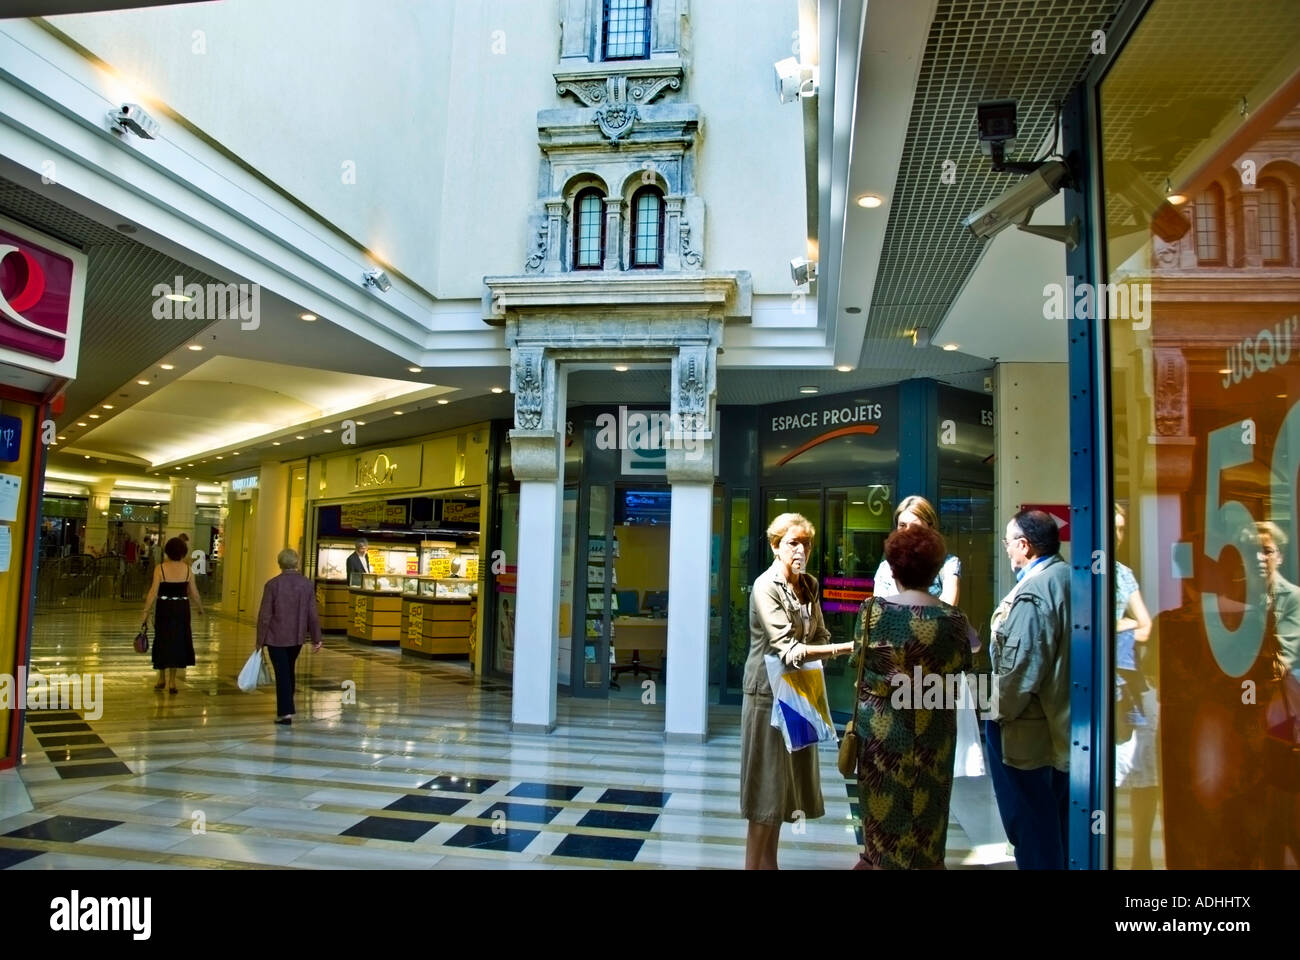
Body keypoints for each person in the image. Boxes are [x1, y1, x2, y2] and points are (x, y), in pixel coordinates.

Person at [850, 524, 977, 869]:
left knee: (880, 834)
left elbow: (858, 665)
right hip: (932, 740)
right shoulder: (953, 620)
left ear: (892, 569)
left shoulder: (871, 612)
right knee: (928, 831)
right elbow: (962, 667)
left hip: (880, 738)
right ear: (936, 570)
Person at [741, 512, 853, 870]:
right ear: (775, 546)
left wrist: (825, 647)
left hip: (798, 691)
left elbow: (818, 636)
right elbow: (788, 648)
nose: (800, 549)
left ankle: (769, 865)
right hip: (766, 695)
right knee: (765, 791)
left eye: (805, 543)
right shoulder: (765, 586)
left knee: (784, 792)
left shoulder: (809, 585)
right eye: (792, 542)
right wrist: (846, 648)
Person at [986, 509, 1071, 870]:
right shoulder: (1067, 577)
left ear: (1025, 546)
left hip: (1028, 737)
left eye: (1009, 542)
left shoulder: (1035, 592)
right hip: (1058, 733)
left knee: (1032, 829)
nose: (1006, 549)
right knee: (1056, 828)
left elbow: (1019, 672)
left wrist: (994, 712)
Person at [1112, 504, 1157, 868]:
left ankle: (1140, 854)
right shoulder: (1078, 571)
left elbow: (1145, 625)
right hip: (1097, 684)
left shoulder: (1124, 574)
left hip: (1129, 680)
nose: (1118, 534)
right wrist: (1121, 623)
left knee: (1144, 770)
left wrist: (1119, 624)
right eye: (1113, 527)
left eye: (1123, 528)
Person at [255, 548, 323, 725]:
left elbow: (265, 615)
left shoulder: (272, 585)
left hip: (276, 637)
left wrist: (259, 641)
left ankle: (285, 712)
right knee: (288, 670)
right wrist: (317, 638)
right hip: (296, 637)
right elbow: (312, 614)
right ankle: (287, 705)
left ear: (279, 564)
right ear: (297, 563)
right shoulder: (306, 584)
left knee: (283, 673)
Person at [139, 537, 203, 694]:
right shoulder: (188, 570)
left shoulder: (160, 569)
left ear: (167, 551)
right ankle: (173, 682)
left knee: (162, 640)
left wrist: (145, 612)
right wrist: (200, 608)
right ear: (183, 552)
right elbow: (194, 592)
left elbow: (153, 592)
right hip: (181, 608)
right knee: (177, 642)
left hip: (164, 607)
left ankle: (161, 678)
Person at [871, 495, 960, 605]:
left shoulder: (947, 564)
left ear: (930, 527)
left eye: (915, 526)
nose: (908, 531)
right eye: (902, 525)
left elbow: (948, 607)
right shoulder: (886, 567)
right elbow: (879, 609)